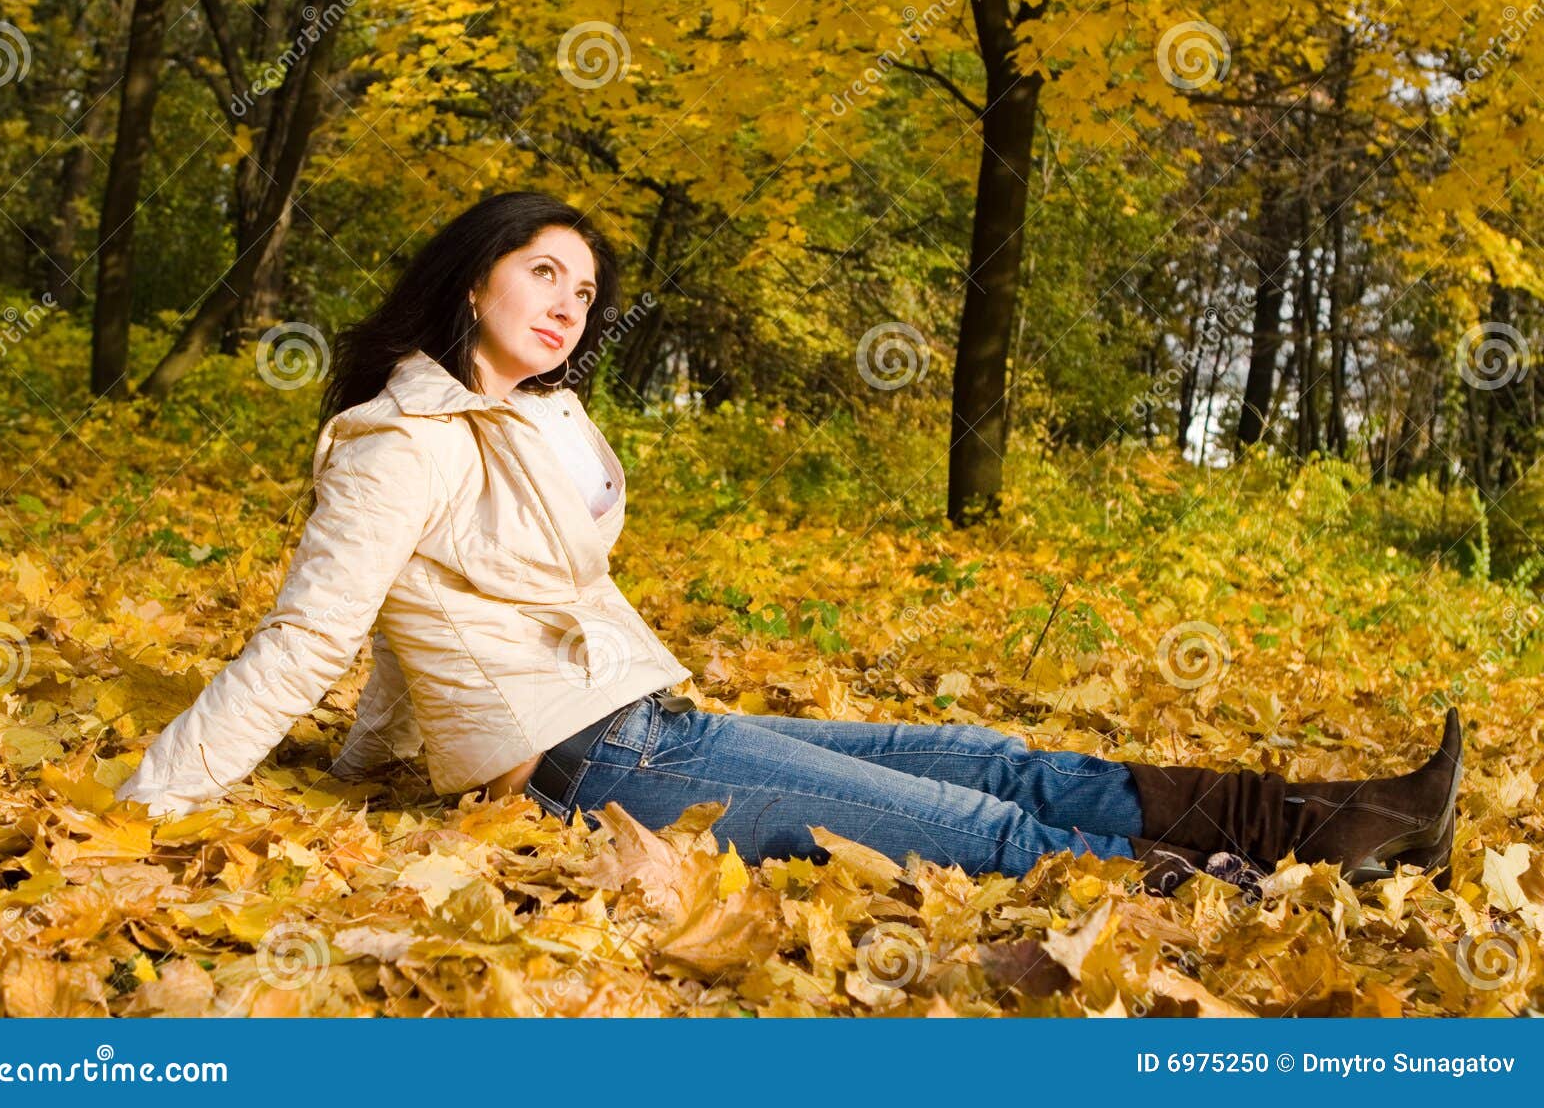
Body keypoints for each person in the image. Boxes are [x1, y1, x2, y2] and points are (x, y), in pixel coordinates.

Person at [114, 190, 1464, 897]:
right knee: (983, 827)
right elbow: (314, 633)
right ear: (474, 272)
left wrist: (373, 755)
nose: (569, 305)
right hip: (589, 766)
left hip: (649, 726)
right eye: (544, 273)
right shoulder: (396, 440)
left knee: (1002, 757)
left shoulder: (538, 418)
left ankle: (1350, 818)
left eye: (586, 291)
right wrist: (153, 800)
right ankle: (1260, 899)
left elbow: (437, 619)